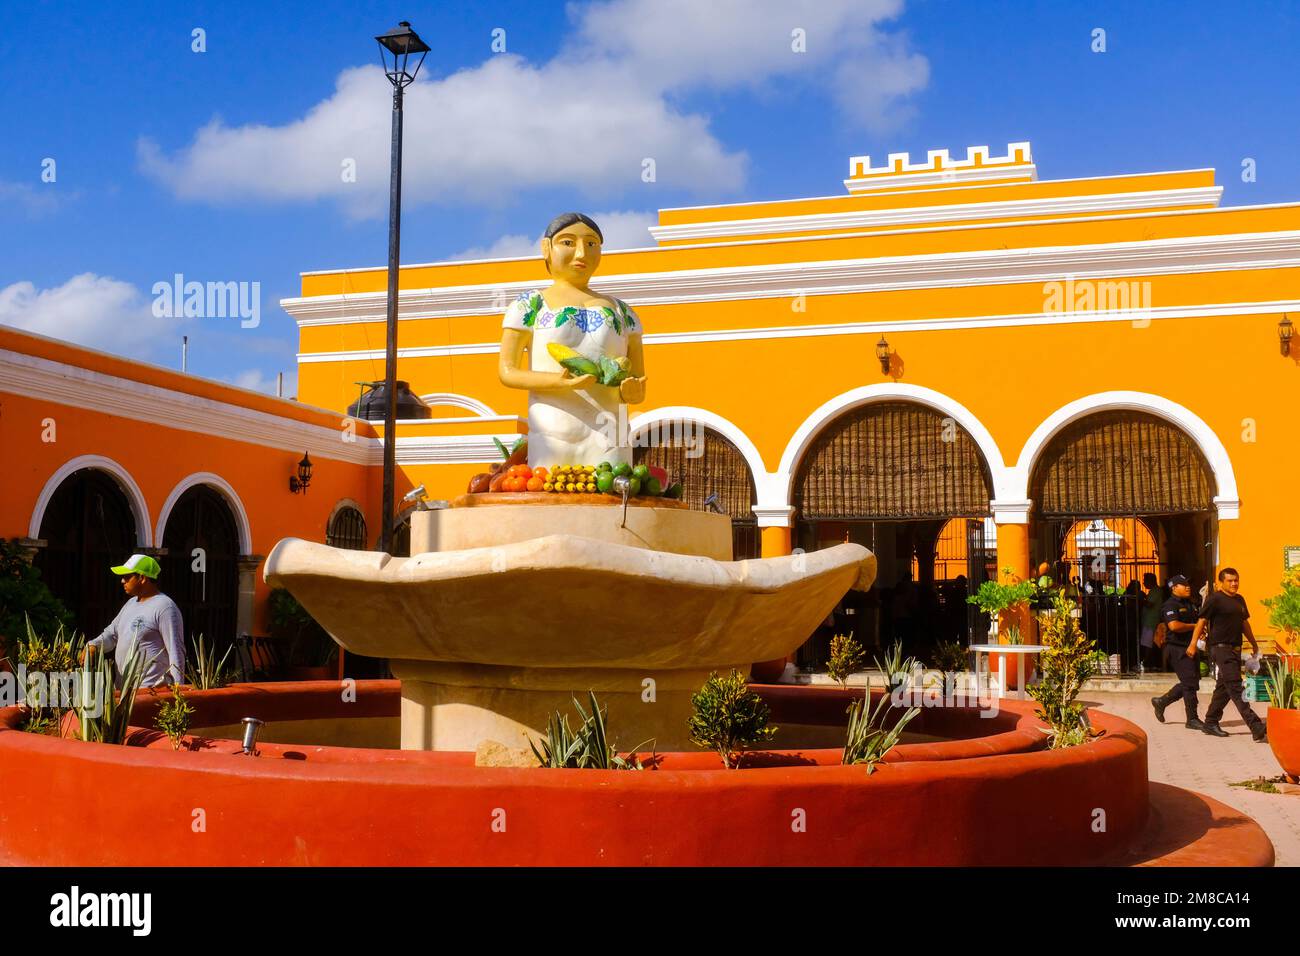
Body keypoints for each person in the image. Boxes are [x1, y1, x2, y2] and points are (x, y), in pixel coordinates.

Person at [497, 212, 646, 470]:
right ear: (546, 248)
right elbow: (507, 371)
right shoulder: (529, 305)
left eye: (591, 244)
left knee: (612, 504)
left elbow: (639, 381)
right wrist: (558, 381)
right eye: (567, 242)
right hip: (553, 435)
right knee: (553, 504)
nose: (581, 254)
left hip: (610, 438)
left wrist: (631, 391)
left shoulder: (624, 312)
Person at [82, 554, 186, 688]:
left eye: (127, 577)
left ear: (142, 578)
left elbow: (175, 652)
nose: (122, 581)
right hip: (123, 693)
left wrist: (178, 695)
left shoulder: (165, 607)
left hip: (150, 694)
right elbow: (112, 635)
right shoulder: (130, 604)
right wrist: (94, 645)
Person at [1190, 567, 1267, 742]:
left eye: (1236, 580)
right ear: (1221, 583)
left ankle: (1210, 722)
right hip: (1220, 648)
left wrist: (1254, 643)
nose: (1234, 583)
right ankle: (1255, 725)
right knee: (1235, 685)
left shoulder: (1240, 599)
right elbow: (1201, 622)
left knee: (1224, 688)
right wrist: (1193, 644)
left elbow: (1244, 623)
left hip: (1235, 648)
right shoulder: (1214, 599)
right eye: (1230, 580)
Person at [1150, 574, 1204, 729]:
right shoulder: (1170, 605)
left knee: (1191, 682)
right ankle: (1192, 719)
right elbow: (1174, 626)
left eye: (1188, 584)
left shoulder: (1190, 603)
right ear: (1174, 588)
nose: (1188, 587)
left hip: (1191, 646)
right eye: (1184, 585)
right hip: (1177, 648)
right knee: (1189, 683)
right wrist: (1195, 626)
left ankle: (1161, 702)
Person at [1138, 572, 1163, 671]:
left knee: (1148, 644)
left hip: (1151, 622)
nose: (1143, 583)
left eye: (1145, 581)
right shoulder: (1154, 591)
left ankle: (1148, 663)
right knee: (1148, 643)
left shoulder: (1156, 591)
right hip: (1148, 621)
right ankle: (1149, 662)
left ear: (1151, 581)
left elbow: (1150, 604)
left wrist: (1141, 598)